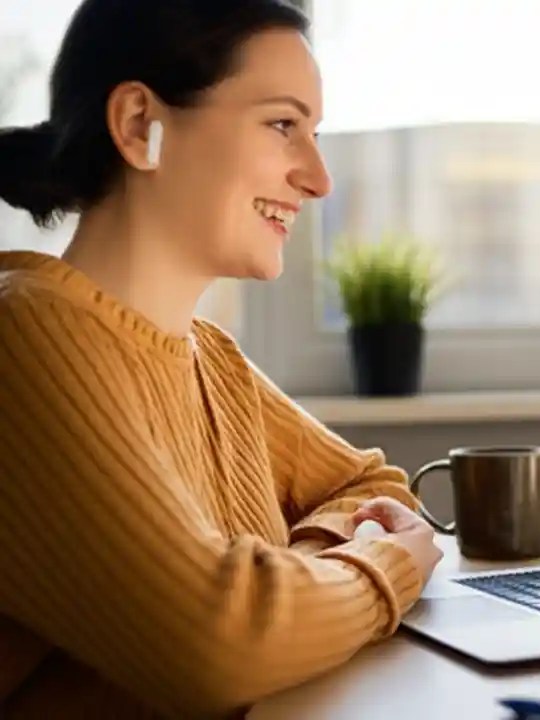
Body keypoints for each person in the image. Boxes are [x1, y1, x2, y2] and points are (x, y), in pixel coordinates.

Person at [0, 1, 444, 717]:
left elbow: (375, 484)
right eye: (282, 125)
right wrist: (377, 570)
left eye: (315, 133)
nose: (319, 177)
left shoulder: (209, 358)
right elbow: (220, 641)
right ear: (141, 126)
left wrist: (290, 575)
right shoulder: (23, 338)